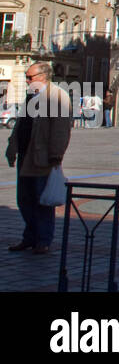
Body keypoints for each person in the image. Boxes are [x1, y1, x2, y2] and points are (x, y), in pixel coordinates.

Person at [6, 63, 73, 255]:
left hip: (43, 157)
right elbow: (20, 124)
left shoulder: (57, 97)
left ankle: (43, 240)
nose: (27, 80)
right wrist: (12, 147)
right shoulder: (30, 96)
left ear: (43, 76)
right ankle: (30, 237)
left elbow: (61, 130)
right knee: (24, 199)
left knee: (42, 201)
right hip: (25, 156)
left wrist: (56, 155)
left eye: (30, 77)